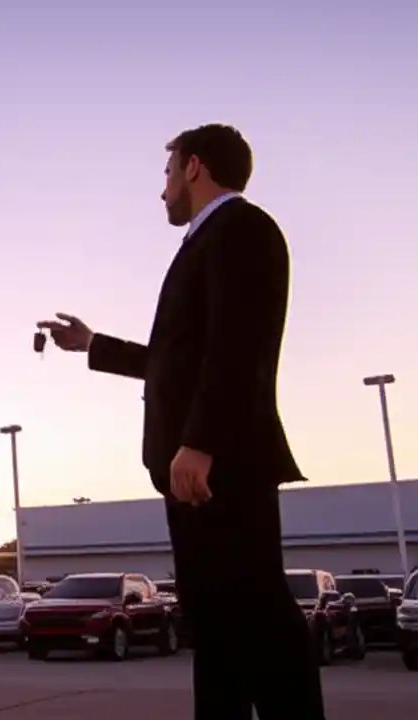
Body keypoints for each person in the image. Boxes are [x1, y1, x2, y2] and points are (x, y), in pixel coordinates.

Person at [38, 124, 324, 719]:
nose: (162, 190)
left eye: (167, 173)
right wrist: (93, 345)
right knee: (218, 624)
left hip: (220, 464)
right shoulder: (208, 240)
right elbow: (178, 362)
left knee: (256, 614)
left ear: (195, 167)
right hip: (197, 469)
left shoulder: (240, 228)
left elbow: (237, 346)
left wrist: (200, 441)